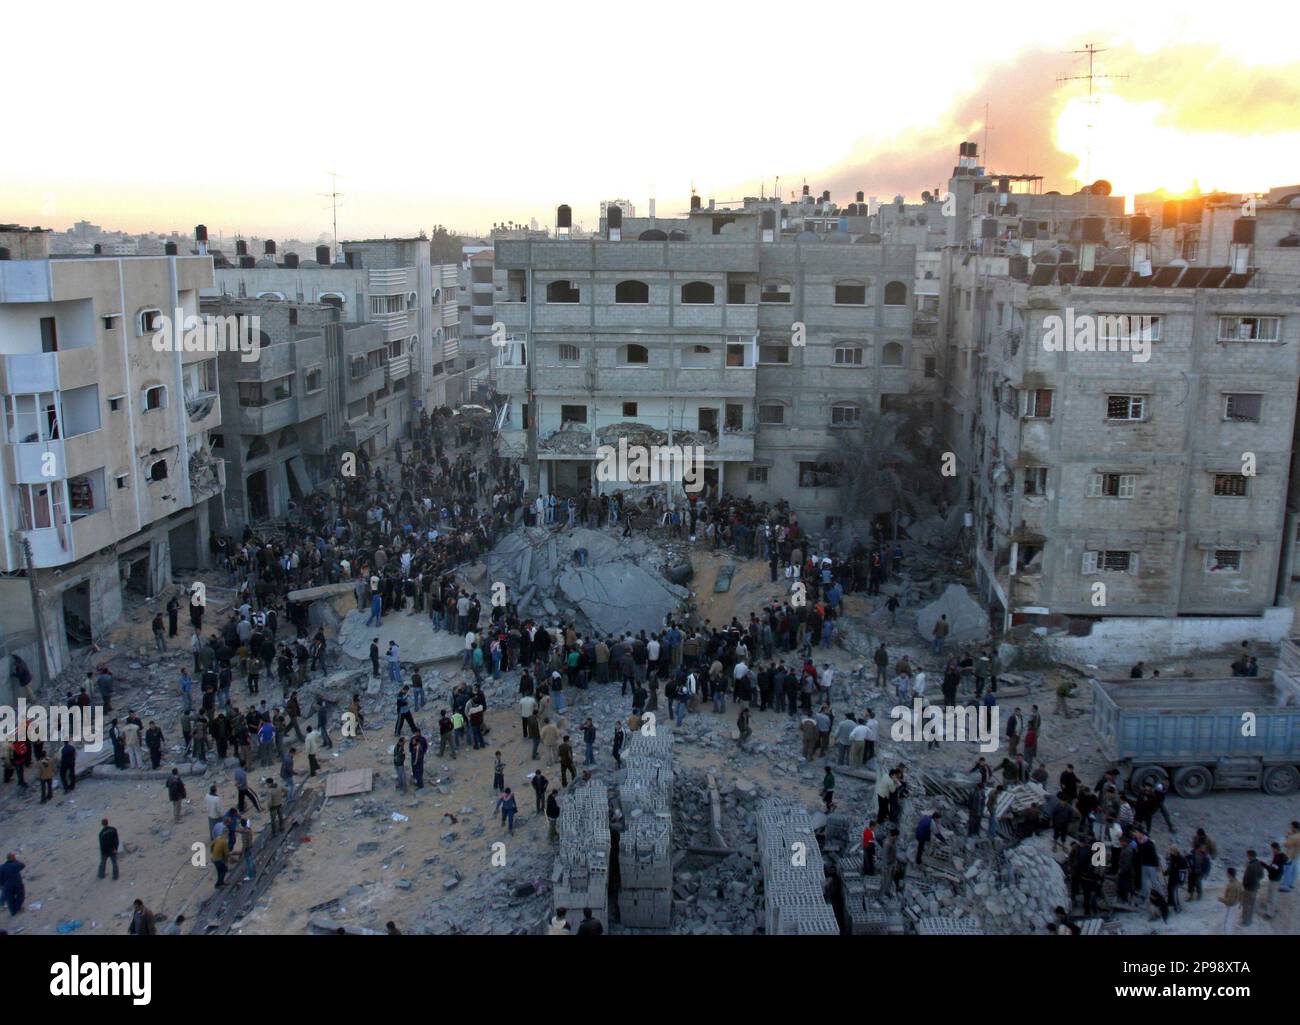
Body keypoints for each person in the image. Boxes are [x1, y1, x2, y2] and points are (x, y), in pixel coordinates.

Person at [1241, 849, 1264, 926]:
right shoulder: (1259, 864)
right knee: (1252, 905)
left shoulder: (1250, 866)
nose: (1247, 857)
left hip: (1248, 888)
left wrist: (1244, 885)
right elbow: (1262, 875)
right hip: (1255, 887)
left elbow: (1246, 878)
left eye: (1248, 855)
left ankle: (1245, 921)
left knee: (1246, 905)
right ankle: (1249, 920)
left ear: (1250, 856)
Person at [1219, 867, 1243, 934]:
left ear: (1229, 874)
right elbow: (1241, 895)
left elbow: (1230, 901)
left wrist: (1221, 899)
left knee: (1226, 924)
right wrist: (1240, 904)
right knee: (1231, 921)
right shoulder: (1238, 883)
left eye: (1227, 873)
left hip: (1231, 906)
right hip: (1236, 905)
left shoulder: (1231, 885)